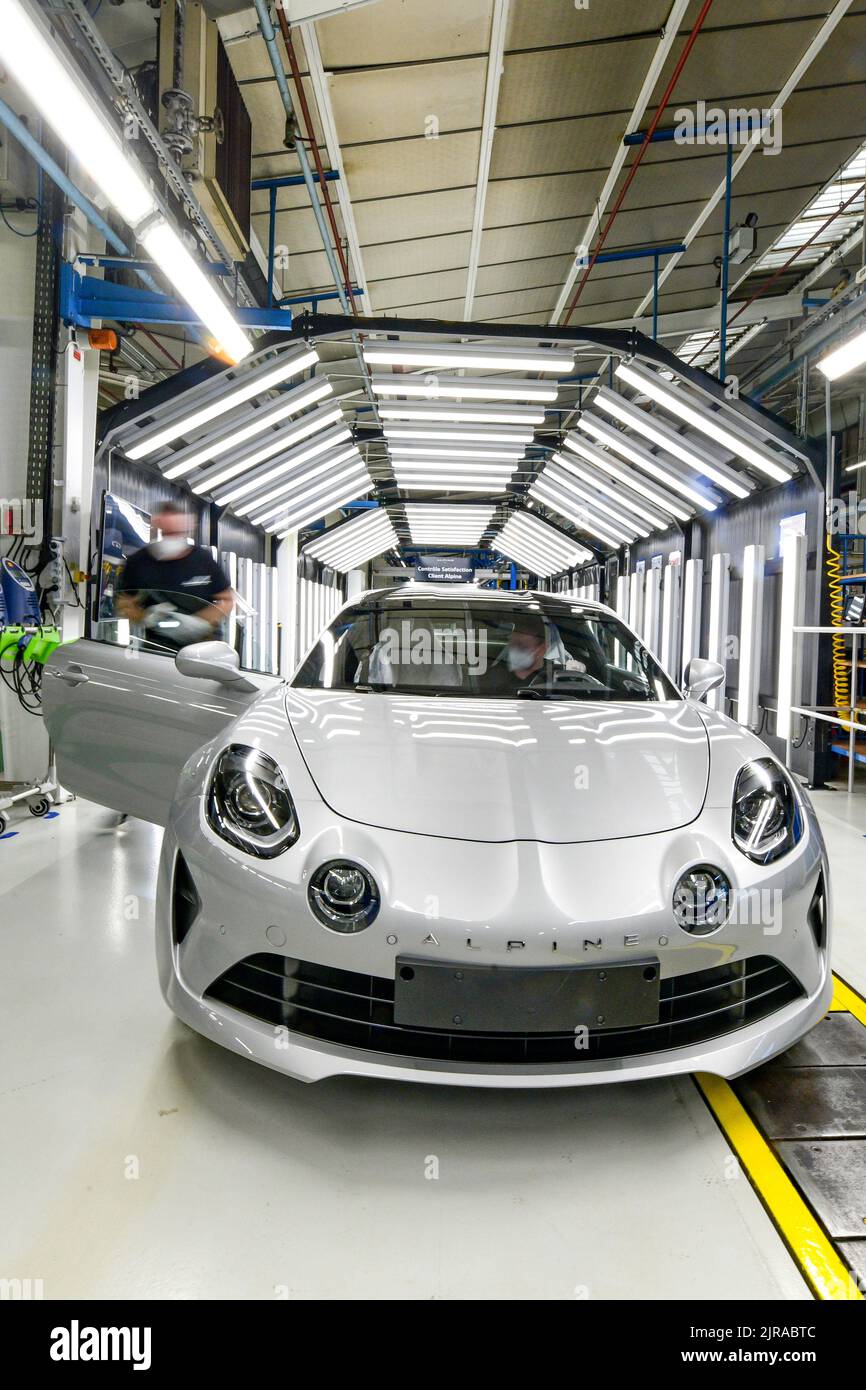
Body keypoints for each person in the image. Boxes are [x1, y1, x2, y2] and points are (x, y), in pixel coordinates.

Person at [115, 500, 234, 652]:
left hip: (204, 647)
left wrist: (199, 623)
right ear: (157, 525)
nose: (172, 538)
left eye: (176, 533)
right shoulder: (139, 562)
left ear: (187, 527)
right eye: (167, 533)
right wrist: (145, 618)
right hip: (158, 647)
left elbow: (227, 599)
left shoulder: (203, 560)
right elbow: (124, 603)